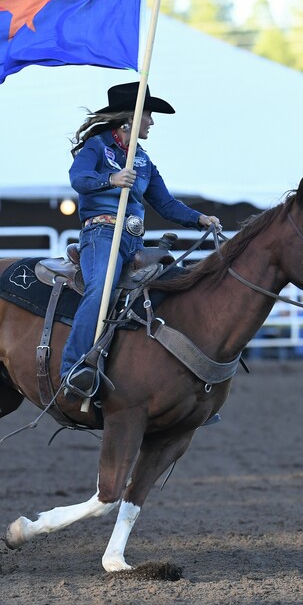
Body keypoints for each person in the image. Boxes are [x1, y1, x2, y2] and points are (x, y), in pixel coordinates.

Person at [59, 82, 220, 394]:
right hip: (101, 234)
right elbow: (78, 178)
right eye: (148, 114)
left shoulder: (143, 160)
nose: (152, 122)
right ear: (130, 118)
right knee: (100, 289)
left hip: (133, 241)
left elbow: (165, 203)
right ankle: (73, 368)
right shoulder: (96, 146)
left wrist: (199, 219)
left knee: (173, 288)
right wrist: (111, 178)